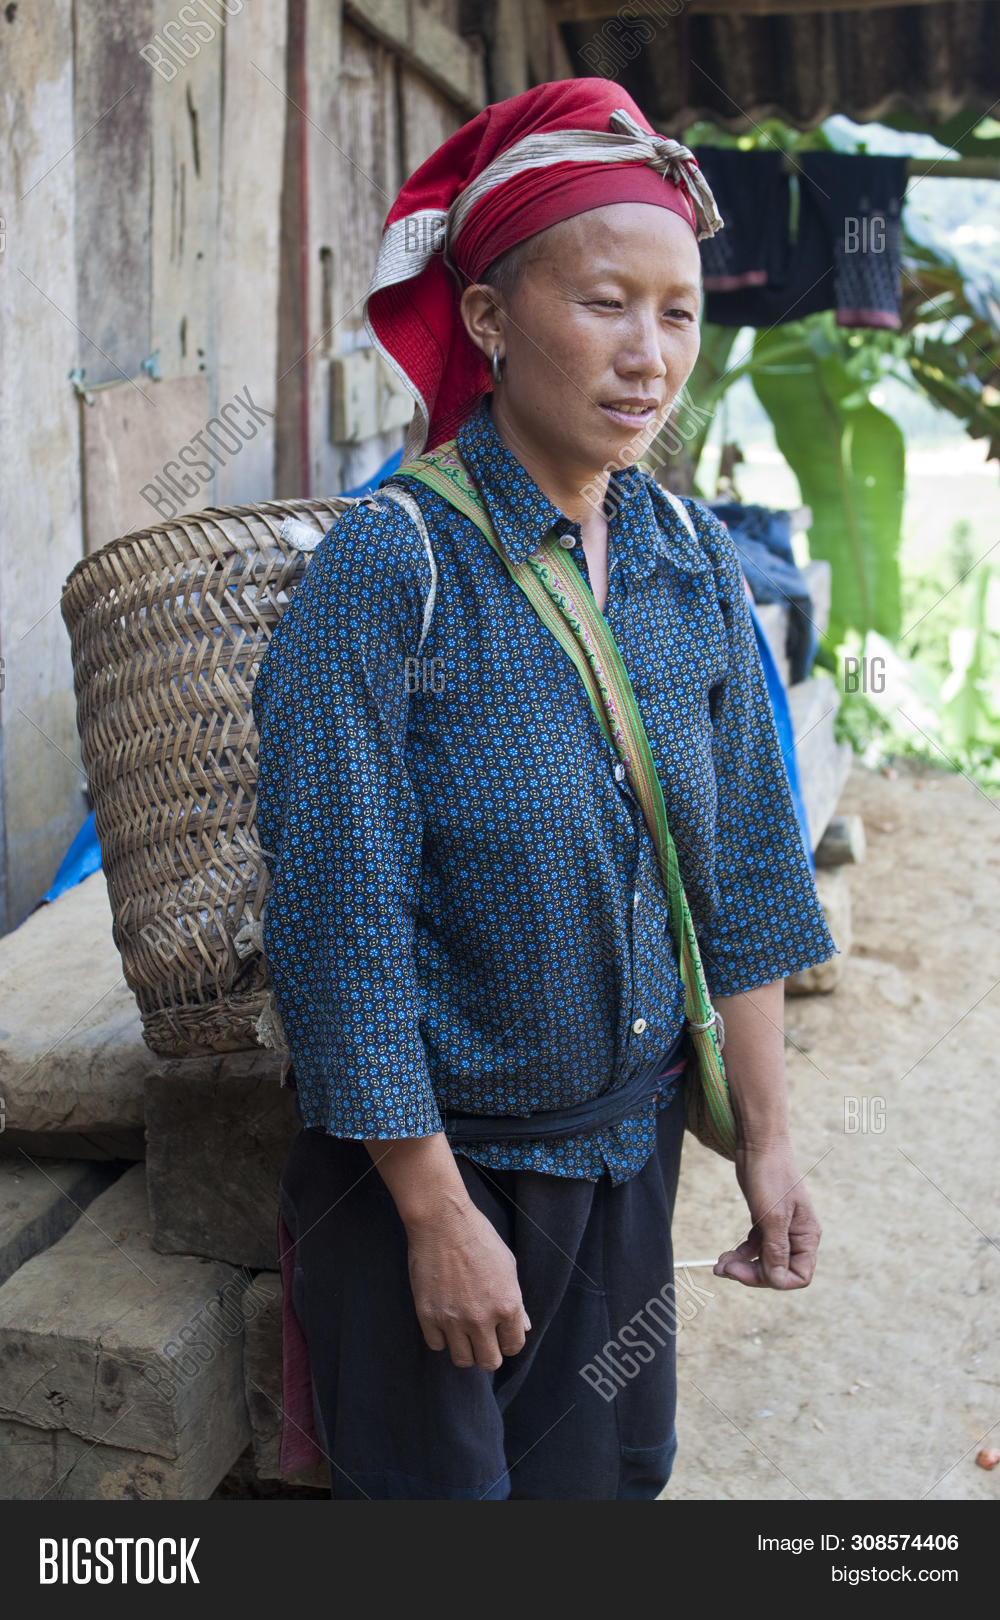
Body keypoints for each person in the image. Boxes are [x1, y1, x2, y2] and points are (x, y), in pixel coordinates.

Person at [251, 77, 837, 1502]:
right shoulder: (390, 570)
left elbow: (749, 879)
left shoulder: (691, 560)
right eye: (605, 304)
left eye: (679, 313)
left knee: (607, 1494)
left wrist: (765, 1147)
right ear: (491, 317)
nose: (650, 356)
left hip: (629, 1160)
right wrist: (433, 1214)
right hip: (435, 1181)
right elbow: (339, 926)